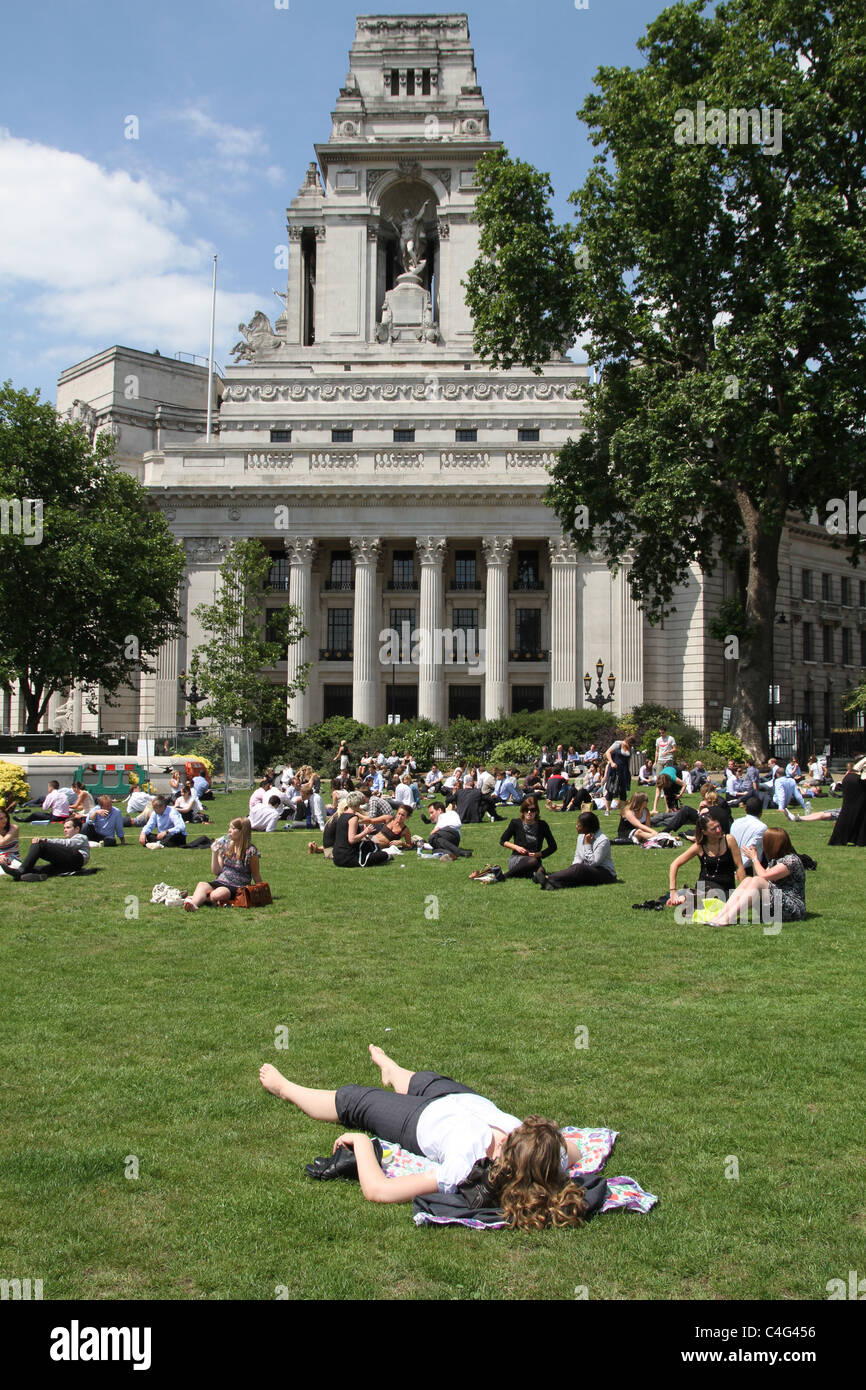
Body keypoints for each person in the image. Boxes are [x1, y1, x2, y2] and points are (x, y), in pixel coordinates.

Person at [259, 1043, 589, 1228]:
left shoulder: (464, 1168)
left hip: (418, 1120)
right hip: (464, 1100)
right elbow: (570, 1149)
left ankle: (285, 1088)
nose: (505, 1136)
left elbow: (380, 1191)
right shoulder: (551, 1154)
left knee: (351, 1099)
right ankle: (393, 1071)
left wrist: (360, 1143)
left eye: (510, 1141)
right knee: (423, 1079)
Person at [711, 828, 806, 925]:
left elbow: (763, 876)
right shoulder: (775, 860)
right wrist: (753, 861)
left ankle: (728, 918)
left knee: (756, 880)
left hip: (793, 909)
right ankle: (720, 915)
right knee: (748, 880)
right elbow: (758, 881)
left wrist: (754, 859)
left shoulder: (791, 860)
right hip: (775, 905)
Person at [667, 812, 745, 908]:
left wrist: (743, 890)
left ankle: (688, 898)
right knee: (716, 900)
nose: (718, 830)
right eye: (713, 829)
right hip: (706, 885)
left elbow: (739, 866)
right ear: (704, 832)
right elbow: (674, 864)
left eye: (718, 826)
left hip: (726, 887)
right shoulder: (699, 846)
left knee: (725, 902)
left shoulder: (729, 840)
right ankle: (688, 897)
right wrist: (672, 891)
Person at [184, 817, 263, 909]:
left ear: (242, 831)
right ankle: (193, 904)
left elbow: (256, 874)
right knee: (202, 885)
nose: (229, 831)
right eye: (229, 828)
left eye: (233, 828)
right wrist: (214, 853)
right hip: (220, 881)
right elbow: (216, 871)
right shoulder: (225, 846)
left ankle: (200, 898)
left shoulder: (251, 852)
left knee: (218, 893)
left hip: (237, 886)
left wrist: (261, 891)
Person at [532, 811, 617, 889]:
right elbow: (578, 857)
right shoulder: (581, 836)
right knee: (574, 874)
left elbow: (593, 863)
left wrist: (587, 845)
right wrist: (571, 871)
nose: (576, 827)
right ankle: (550, 884)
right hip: (585, 870)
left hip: (605, 873)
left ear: (587, 827)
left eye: (579, 825)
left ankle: (547, 877)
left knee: (579, 869)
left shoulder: (603, 840)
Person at [489, 799, 558, 879]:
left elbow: (553, 847)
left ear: (536, 812)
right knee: (534, 862)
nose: (529, 812)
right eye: (526, 809)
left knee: (541, 870)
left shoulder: (543, 825)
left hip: (535, 859)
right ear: (522, 811)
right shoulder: (515, 823)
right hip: (517, 858)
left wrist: (539, 854)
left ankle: (540, 881)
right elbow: (502, 841)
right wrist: (517, 847)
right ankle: (505, 876)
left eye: (532, 810)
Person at [4, 817, 91, 881]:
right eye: (64, 828)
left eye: (68, 828)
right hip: (70, 865)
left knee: (40, 845)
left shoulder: (81, 837)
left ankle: (20, 871)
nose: (65, 830)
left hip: (77, 859)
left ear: (77, 829)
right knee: (39, 869)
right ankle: (26, 876)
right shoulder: (72, 839)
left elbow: (68, 844)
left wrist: (46, 840)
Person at [333, 792, 391, 868]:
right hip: (348, 857)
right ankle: (387, 856)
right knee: (383, 855)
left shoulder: (342, 816)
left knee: (369, 845)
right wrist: (366, 832)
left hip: (337, 856)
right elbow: (352, 839)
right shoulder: (353, 818)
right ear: (358, 804)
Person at [828, 757, 866, 846]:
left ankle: (842, 839)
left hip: (851, 779)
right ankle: (859, 840)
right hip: (859, 781)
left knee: (848, 811)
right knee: (860, 812)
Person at [729, 796, 767, 867]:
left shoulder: (736, 822)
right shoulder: (762, 827)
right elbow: (751, 849)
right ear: (761, 811)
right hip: (749, 865)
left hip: (732, 862)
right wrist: (740, 868)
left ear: (745, 808)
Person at [602, 736, 633, 814]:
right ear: (626, 741)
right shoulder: (618, 744)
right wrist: (612, 762)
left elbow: (628, 760)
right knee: (611, 790)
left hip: (624, 771)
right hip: (615, 770)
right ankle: (607, 810)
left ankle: (622, 811)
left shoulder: (631, 749)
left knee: (623, 791)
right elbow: (607, 752)